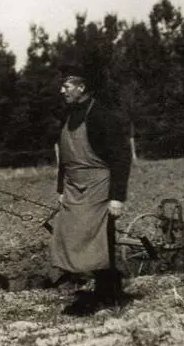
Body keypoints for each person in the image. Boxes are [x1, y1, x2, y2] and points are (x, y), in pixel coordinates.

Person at [51, 75, 133, 316]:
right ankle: (102, 289)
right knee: (71, 234)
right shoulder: (69, 117)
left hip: (98, 186)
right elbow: (64, 160)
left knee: (99, 240)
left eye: (66, 86)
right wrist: (60, 190)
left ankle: (109, 296)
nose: (62, 90)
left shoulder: (102, 116)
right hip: (74, 187)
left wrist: (117, 197)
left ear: (81, 87)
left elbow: (121, 157)